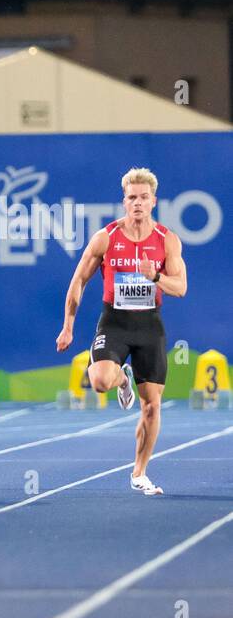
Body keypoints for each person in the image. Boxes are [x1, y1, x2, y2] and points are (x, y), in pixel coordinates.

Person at [56, 167, 187, 495]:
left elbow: (181, 287)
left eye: (144, 198)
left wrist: (155, 277)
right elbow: (79, 281)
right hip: (114, 321)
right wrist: (68, 326)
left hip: (149, 325)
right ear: (124, 201)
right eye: (132, 198)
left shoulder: (167, 240)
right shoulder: (106, 237)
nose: (138, 203)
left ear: (153, 201)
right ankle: (121, 378)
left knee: (151, 406)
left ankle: (139, 472)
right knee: (100, 381)